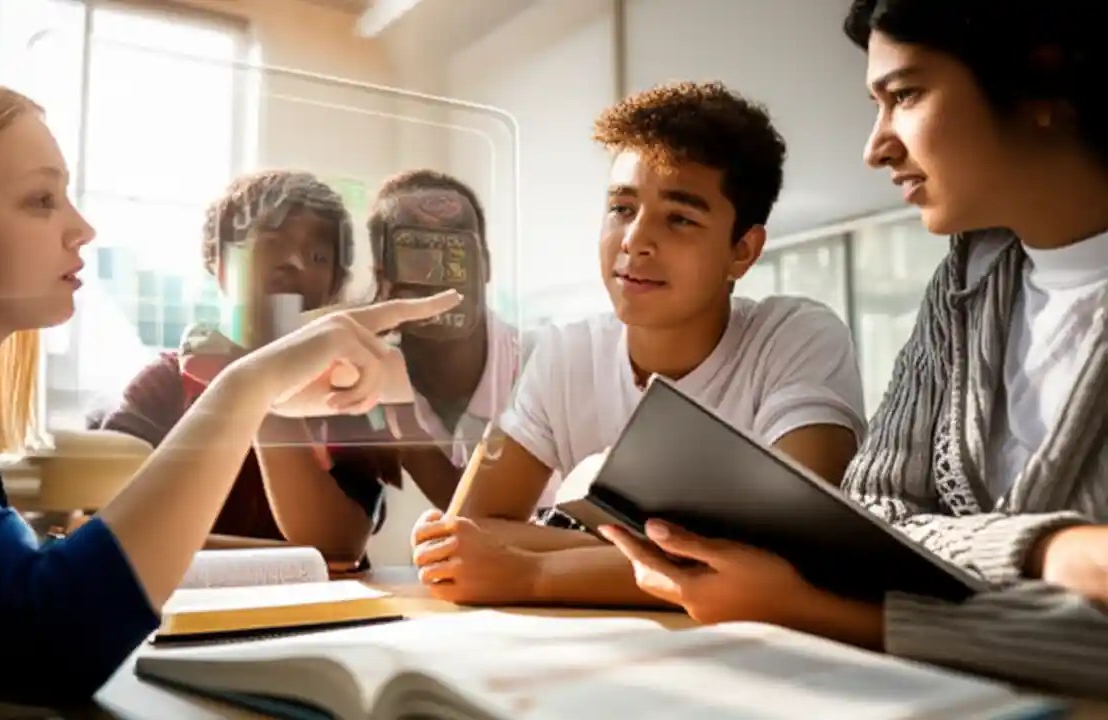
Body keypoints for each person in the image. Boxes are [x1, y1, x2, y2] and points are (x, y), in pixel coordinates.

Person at [0, 74, 458, 718]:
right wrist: (249, 384)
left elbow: (20, 597)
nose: (82, 228)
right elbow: (44, 637)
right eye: (41, 200)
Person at [604, 0, 1108, 698]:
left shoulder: (803, 331)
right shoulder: (968, 277)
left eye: (904, 95)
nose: (876, 146)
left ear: (1041, 81)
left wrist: (817, 611)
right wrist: (1052, 550)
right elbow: (876, 515)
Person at [410, 81, 867, 607]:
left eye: (679, 218)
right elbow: (463, 534)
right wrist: (682, 558)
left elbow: (795, 548)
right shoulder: (566, 354)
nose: (634, 240)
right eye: (622, 208)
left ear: (742, 251)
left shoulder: (795, 339)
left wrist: (534, 573)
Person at [96, 171, 398, 563]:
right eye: (270, 246)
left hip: (319, 616)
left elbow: (339, 546)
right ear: (220, 266)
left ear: (334, 283)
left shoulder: (351, 396)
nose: (293, 264)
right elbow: (108, 531)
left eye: (318, 256)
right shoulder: (168, 385)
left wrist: (269, 385)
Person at [333, 169, 520, 510]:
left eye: (457, 255)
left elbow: (488, 518)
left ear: (487, 265)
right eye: (416, 254)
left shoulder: (541, 365)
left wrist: (403, 422)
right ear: (383, 277)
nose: (441, 277)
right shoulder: (359, 370)